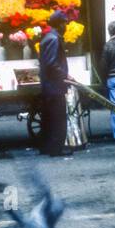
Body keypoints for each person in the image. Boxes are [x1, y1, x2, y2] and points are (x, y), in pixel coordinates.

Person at [37, 11, 70, 157]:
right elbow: (52, 64)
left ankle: (47, 147)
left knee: (49, 118)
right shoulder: (53, 39)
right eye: (64, 23)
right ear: (59, 24)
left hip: (49, 86)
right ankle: (56, 148)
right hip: (54, 86)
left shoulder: (48, 37)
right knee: (57, 118)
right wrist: (65, 75)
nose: (66, 26)